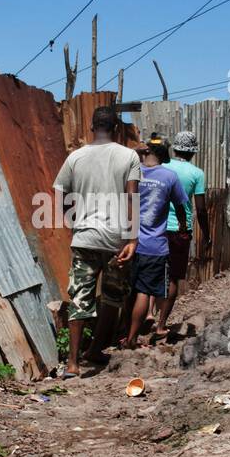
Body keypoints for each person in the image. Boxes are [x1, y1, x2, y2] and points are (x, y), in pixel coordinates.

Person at [53, 105, 140, 378]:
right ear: (116, 128)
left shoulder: (75, 158)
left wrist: (72, 222)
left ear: (92, 127)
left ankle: (72, 364)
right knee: (112, 298)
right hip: (116, 240)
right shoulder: (129, 156)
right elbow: (131, 198)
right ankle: (97, 350)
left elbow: (58, 193)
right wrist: (133, 239)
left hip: (85, 238)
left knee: (79, 299)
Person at [124, 136, 187, 349]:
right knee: (144, 291)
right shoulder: (169, 176)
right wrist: (183, 226)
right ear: (164, 154)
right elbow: (180, 206)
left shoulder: (134, 173)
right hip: (154, 245)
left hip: (127, 243)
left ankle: (122, 333)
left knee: (128, 291)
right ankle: (132, 338)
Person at [156, 130, 210, 336]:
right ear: (193, 152)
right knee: (173, 279)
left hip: (156, 228)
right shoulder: (196, 173)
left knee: (154, 272)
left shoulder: (162, 167)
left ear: (175, 148)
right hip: (180, 231)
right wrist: (206, 233)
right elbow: (201, 208)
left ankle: (151, 315)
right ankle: (161, 324)